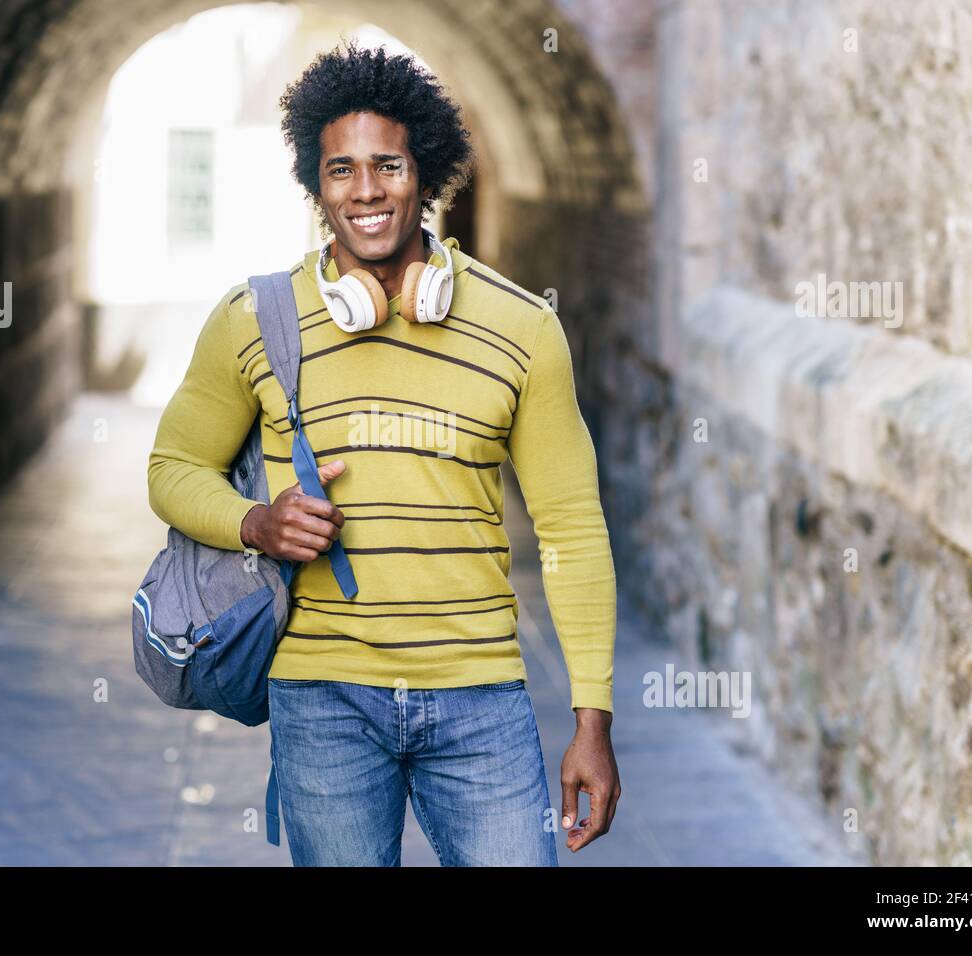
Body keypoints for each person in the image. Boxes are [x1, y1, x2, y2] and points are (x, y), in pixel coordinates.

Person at [147, 39, 619, 866]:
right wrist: (256, 522)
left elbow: (572, 530)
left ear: (427, 175)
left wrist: (592, 721)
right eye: (341, 170)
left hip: (481, 702)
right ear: (315, 184)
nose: (365, 191)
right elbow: (172, 469)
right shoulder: (253, 321)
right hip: (320, 700)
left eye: (388, 165)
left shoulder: (523, 330)